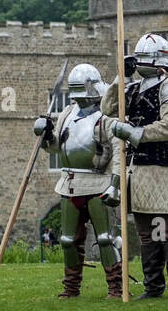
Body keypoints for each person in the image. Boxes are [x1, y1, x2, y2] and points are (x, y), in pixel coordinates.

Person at [103, 33, 168, 299]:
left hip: (166, 166)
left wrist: (135, 133)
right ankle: (153, 286)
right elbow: (108, 107)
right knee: (146, 230)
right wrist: (122, 77)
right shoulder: (133, 88)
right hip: (138, 167)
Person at [35, 64, 123, 298]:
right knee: (67, 240)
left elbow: (118, 152)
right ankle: (71, 287)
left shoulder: (107, 116)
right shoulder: (67, 113)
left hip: (98, 184)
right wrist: (46, 135)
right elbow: (56, 147)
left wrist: (115, 185)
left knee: (106, 239)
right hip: (70, 182)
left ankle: (116, 286)